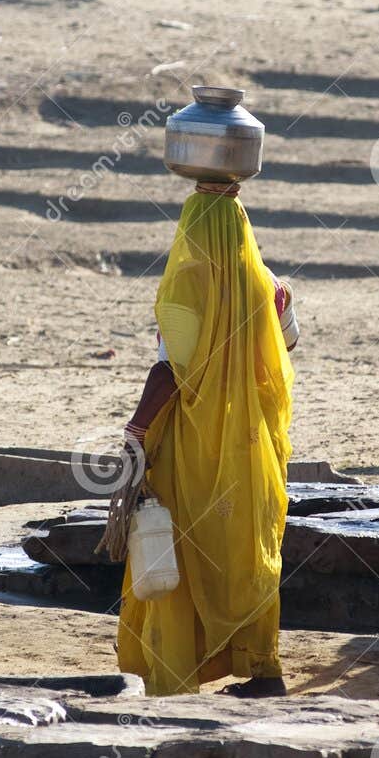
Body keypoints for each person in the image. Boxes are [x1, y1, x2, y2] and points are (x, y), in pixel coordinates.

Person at [116, 180, 295, 697]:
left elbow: (171, 369)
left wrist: (136, 430)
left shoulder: (186, 283)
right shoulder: (270, 284)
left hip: (190, 446)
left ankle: (176, 672)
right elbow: (287, 345)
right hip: (248, 443)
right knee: (244, 551)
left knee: (183, 549)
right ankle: (262, 670)